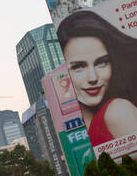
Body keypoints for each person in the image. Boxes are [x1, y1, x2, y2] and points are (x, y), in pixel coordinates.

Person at [58, 10, 137, 146]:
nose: (93, 78)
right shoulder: (73, 132)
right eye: (78, 67)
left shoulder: (118, 111)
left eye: (101, 62)